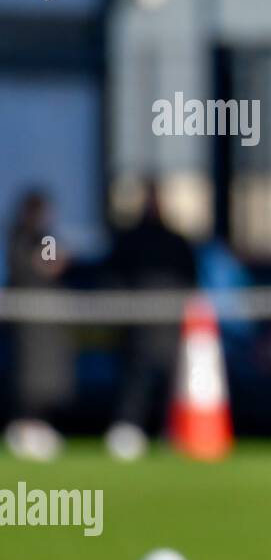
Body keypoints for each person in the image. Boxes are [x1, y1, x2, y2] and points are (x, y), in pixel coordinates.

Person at [103, 182, 198, 460]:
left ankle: (174, 432)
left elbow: (191, 281)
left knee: (172, 381)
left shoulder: (177, 242)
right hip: (138, 328)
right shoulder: (129, 240)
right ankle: (128, 431)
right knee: (136, 380)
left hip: (170, 326)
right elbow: (112, 278)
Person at [3, 189, 73, 461]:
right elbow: (50, 265)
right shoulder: (30, 236)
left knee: (45, 377)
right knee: (28, 375)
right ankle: (24, 428)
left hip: (43, 319)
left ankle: (36, 427)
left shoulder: (38, 236)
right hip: (29, 320)